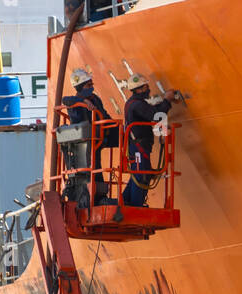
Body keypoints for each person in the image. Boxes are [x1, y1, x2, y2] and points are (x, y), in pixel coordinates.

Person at [61, 68, 118, 205]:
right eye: (88, 85)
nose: (91, 87)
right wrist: (82, 101)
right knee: (88, 170)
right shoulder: (74, 102)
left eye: (91, 84)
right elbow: (65, 100)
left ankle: (98, 198)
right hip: (83, 143)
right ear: (80, 87)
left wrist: (115, 125)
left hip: (96, 139)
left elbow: (103, 114)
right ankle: (89, 199)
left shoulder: (95, 99)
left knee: (96, 169)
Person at [120, 74, 176, 207]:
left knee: (138, 175)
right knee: (141, 176)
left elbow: (149, 113)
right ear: (140, 89)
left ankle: (124, 203)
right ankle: (135, 207)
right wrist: (167, 100)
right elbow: (156, 115)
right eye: (146, 87)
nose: (148, 90)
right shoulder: (138, 105)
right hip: (138, 147)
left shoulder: (133, 104)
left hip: (138, 147)